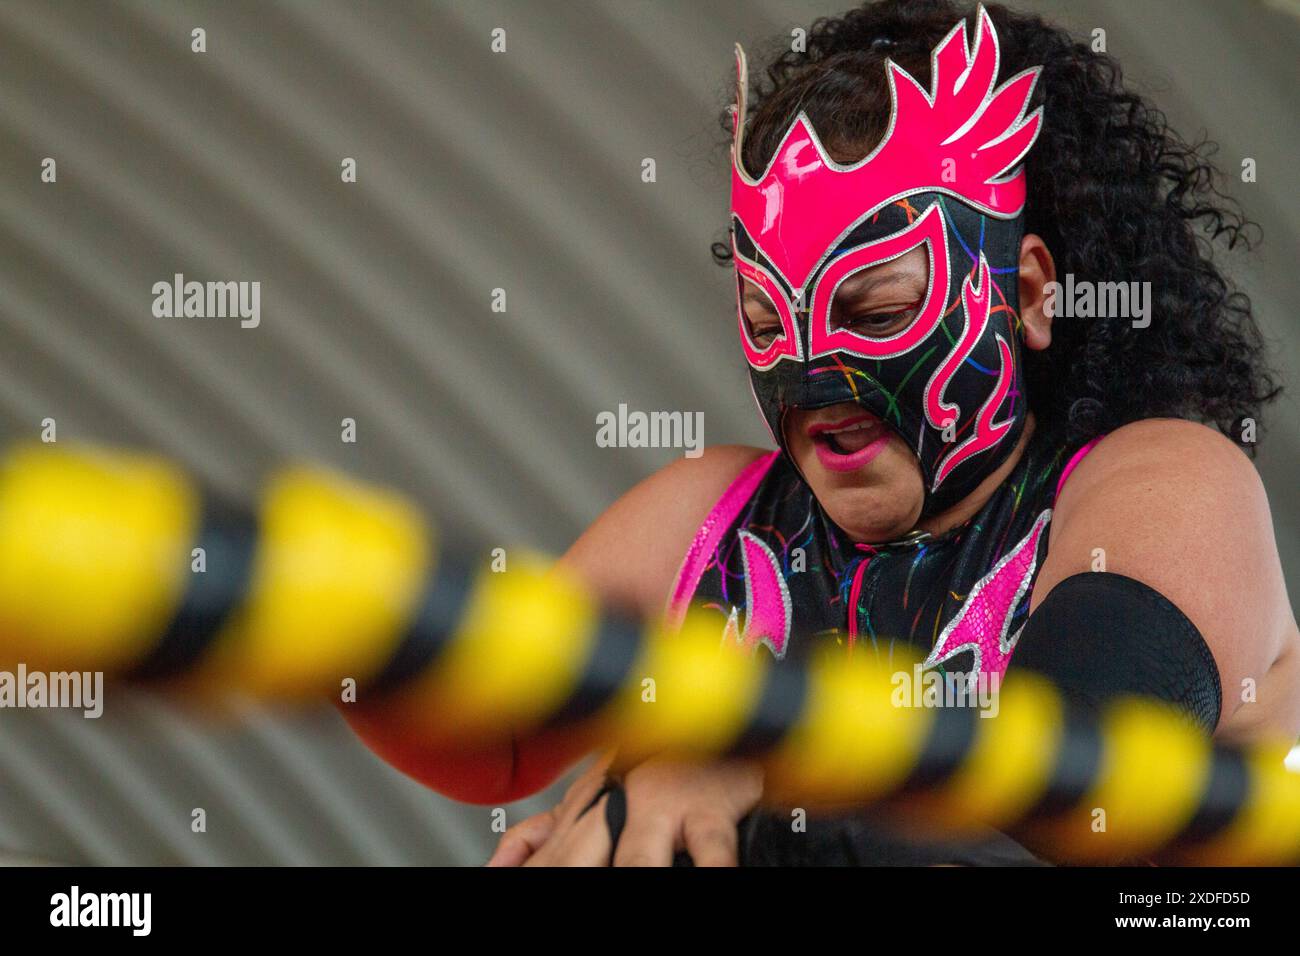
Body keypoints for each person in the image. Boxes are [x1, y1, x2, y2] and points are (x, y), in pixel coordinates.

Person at [347, 0, 1300, 866]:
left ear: (1027, 296)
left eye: (877, 312)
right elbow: (491, 732)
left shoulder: (1168, 483)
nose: (811, 378)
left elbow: (1063, 788)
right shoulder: (711, 518)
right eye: (768, 325)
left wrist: (744, 762)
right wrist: (346, 607)